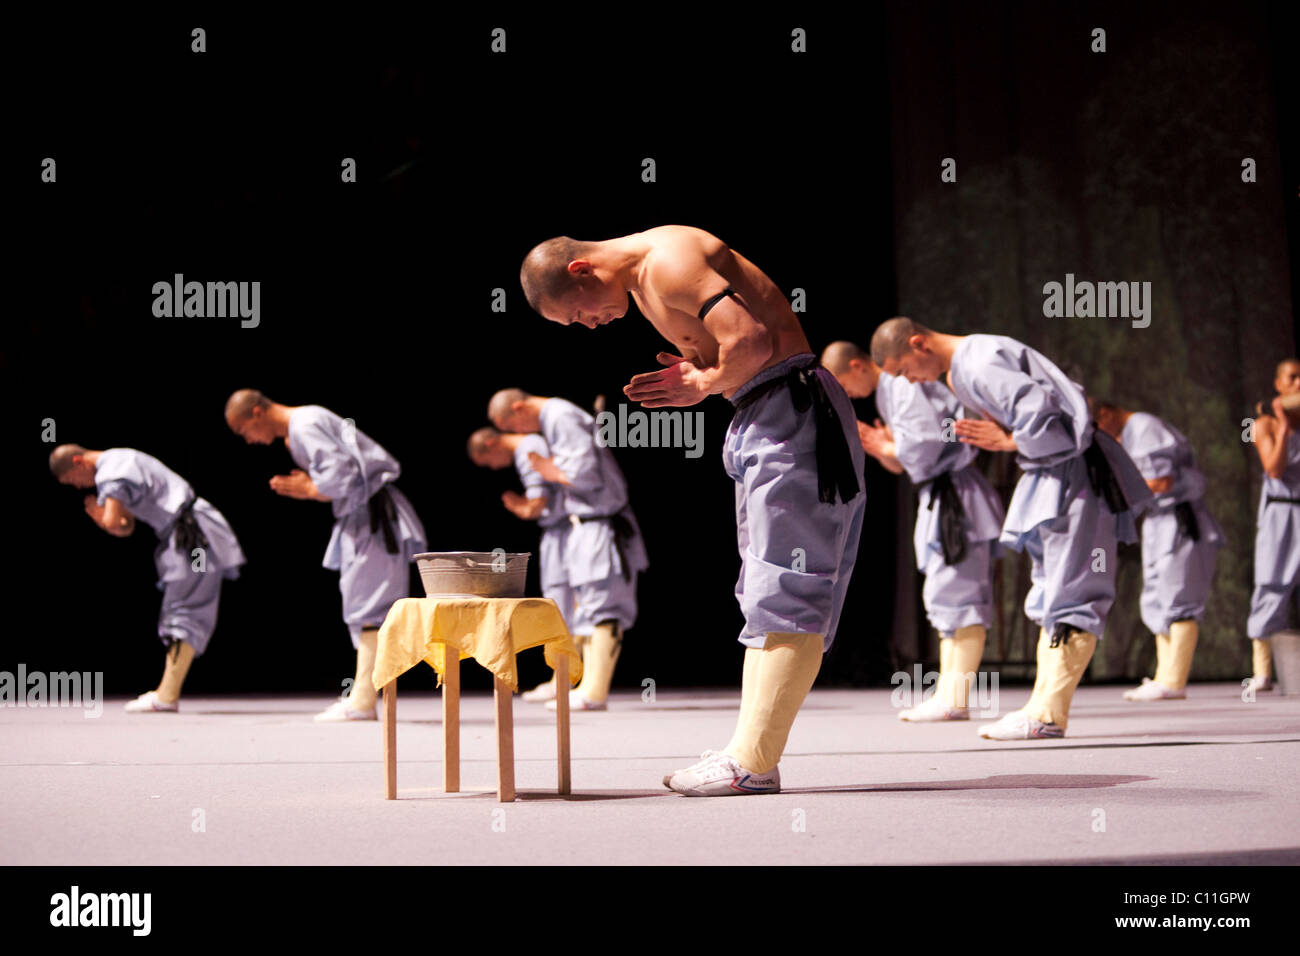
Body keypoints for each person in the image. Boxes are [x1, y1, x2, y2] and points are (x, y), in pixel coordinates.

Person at [520, 226, 864, 794]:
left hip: (791, 409)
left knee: (788, 585)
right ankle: (750, 753)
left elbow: (749, 342)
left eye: (576, 315)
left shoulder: (667, 263)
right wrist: (703, 377)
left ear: (581, 271)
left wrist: (702, 383)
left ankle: (752, 761)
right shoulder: (645, 283)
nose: (587, 326)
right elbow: (734, 353)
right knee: (764, 587)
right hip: (762, 413)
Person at [870, 318, 1152, 739]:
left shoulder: (980, 361)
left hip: (1069, 470)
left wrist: (1009, 440)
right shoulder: (966, 368)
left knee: (1071, 590)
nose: (908, 380)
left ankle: (1047, 714)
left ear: (918, 344)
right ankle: (1041, 708)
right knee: (1053, 587)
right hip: (1051, 471)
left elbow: (1047, 418)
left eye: (904, 370)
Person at [822, 341, 1003, 720]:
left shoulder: (900, 386)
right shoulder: (890, 393)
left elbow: (926, 446)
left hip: (955, 495)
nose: (846, 394)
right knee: (944, 593)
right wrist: (883, 449)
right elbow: (907, 463)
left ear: (857, 365)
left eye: (843, 384)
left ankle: (955, 698)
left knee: (960, 593)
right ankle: (951, 694)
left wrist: (889, 446)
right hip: (941, 492)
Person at [225, 390, 426, 721]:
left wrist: (310, 488)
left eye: (243, 430)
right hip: (362, 516)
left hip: (371, 517)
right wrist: (313, 486)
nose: (249, 440)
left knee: (370, 604)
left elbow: (340, 474)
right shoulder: (305, 423)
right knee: (364, 601)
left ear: (258, 413)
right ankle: (363, 697)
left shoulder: (304, 423)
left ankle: (363, 699)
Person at [49, 444, 245, 712]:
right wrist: (110, 521)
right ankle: (167, 692)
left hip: (194, 538)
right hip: (193, 534)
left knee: (185, 607)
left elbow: (113, 520)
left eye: (74, 479)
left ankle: (167, 696)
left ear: (79, 462)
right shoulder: (121, 459)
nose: (80, 486)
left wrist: (102, 517)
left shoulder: (111, 471)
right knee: (187, 604)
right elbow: (124, 527)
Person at [486, 392, 647, 710]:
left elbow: (583, 473)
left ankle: (595, 690)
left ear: (519, 408)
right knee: (587, 603)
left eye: (513, 425)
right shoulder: (554, 420)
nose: (520, 433)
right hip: (584, 523)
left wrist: (550, 470)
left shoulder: (560, 416)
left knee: (603, 602)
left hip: (599, 522)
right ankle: (586, 684)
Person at [1093, 402, 1224, 700]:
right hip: (1158, 522)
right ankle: (1164, 676)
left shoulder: (1144, 427)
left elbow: (1161, 481)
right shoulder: (1127, 435)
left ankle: (1174, 680)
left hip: (1178, 520)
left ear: (1105, 415)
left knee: (1180, 598)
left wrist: (1114, 494)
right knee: (1157, 598)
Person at [1245, 359, 1300, 690]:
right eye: (1292, 378)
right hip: (1281, 513)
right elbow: (1275, 469)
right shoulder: (1260, 423)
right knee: (1271, 584)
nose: (1298, 383)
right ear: (1278, 384)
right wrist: (1283, 429)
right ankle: (1262, 671)